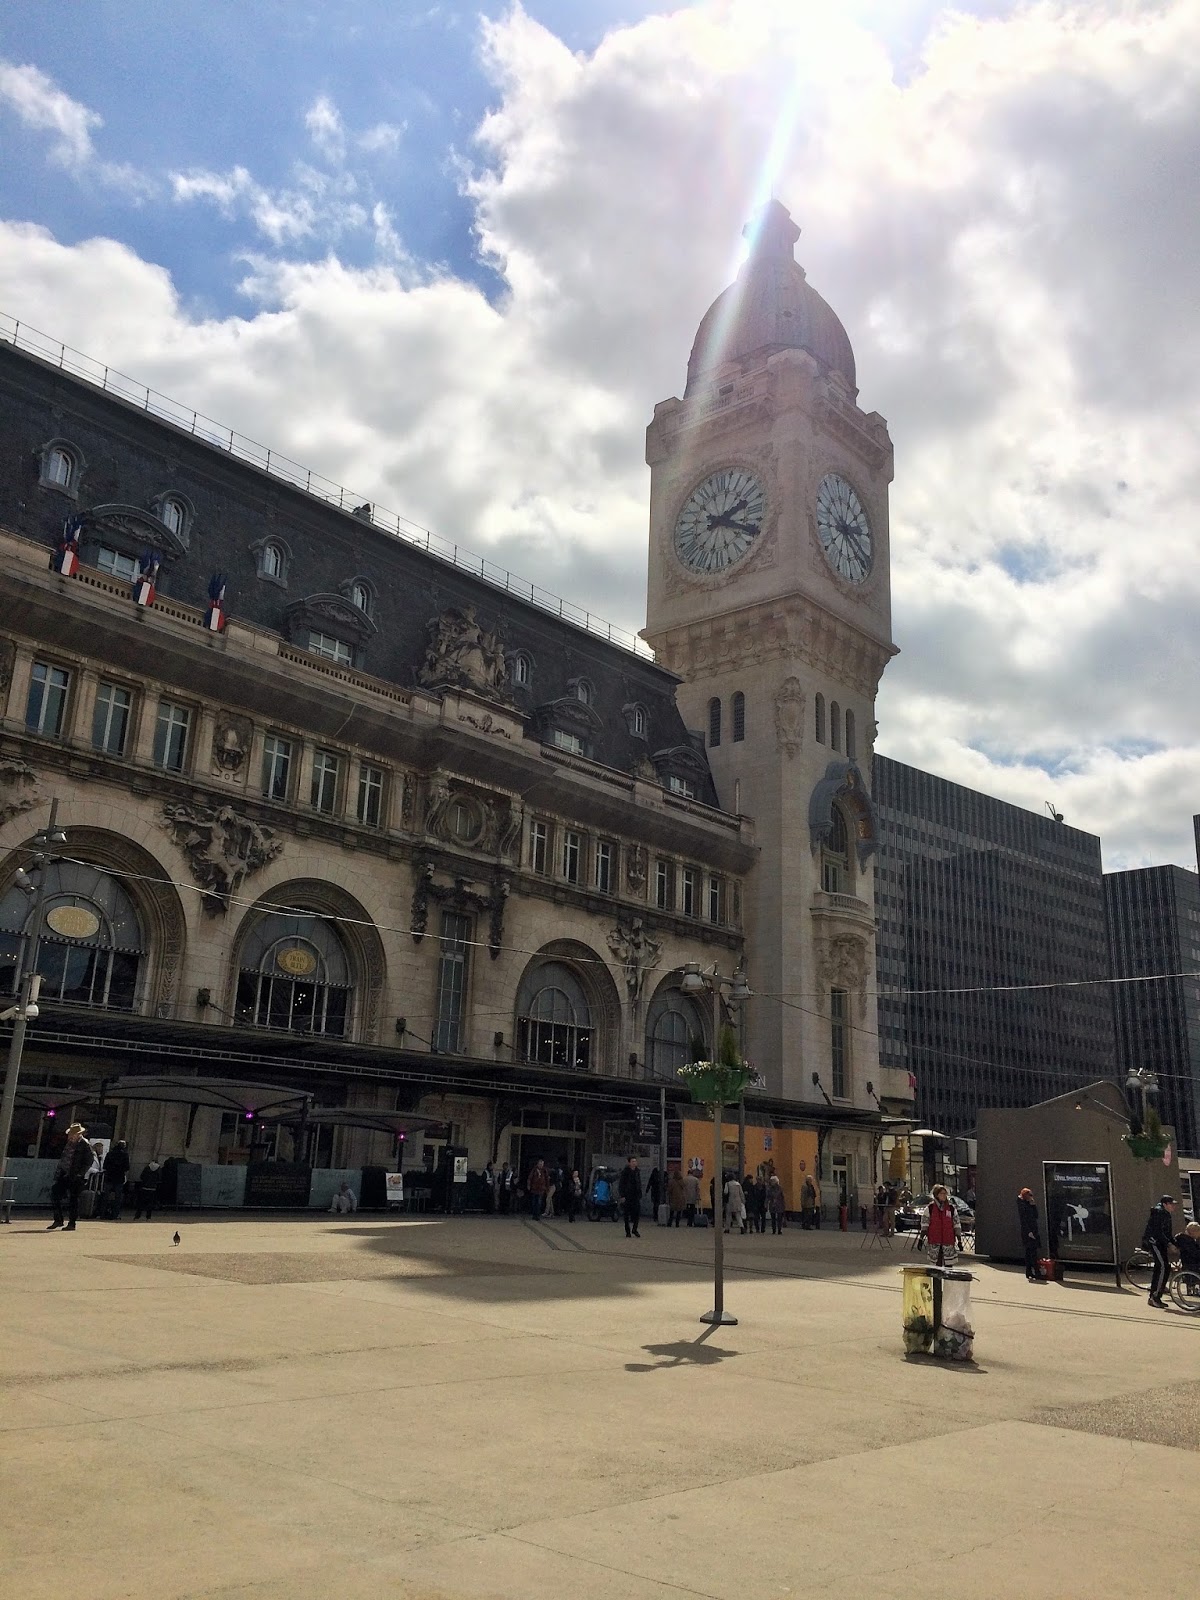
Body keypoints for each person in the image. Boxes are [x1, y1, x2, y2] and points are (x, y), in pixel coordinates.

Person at [47, 1122, 95, 1231]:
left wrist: (80, 1174)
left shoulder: (84, 1144)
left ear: (79, 1134)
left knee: (73, 1199)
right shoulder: (69, 1143)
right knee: (55, 1193)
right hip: (64, 1173)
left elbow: (89, 1161)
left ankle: (71, 1223)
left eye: (73, 1134)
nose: (70, 1136)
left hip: (75, 1175)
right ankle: (58, 1219)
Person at [1142, 1194, 1177, 1308]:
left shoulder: (1166, 1214)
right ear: (1165, 1204)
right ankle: (1155, 1296)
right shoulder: (1159, 1213)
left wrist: (1174, 1242)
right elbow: (1158, 1232)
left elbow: (1167, 1232)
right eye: (1171, 1204)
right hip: (1155, 1242)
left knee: (1163, 1268)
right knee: (1163, 1267)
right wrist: (1169, 1243)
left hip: (1160, 1243)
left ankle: (1156, 1293)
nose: (1173, 1206)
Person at [925, 1184, 960, 1267]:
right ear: (936, 1195)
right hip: (935, 1241)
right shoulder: (930, 1208)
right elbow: (924, 1224)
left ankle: (947, 1280)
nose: (944, 1196)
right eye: (941, 1194)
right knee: (937, 1267)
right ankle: (936, 1280)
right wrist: (921, 1239)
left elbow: (957, 1224)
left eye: (945, 1194)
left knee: (948, 1266)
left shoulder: (951, 1208)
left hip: (948, 1240)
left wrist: (960, 1240)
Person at [102, 1138, 131, 1220]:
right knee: (118, 1198)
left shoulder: (110, 1153)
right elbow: (127, 1167)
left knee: (105, 1197)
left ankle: (103, 1213)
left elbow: (105, 1165)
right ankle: (115, 1214)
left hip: (109, 1177)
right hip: (119, 1178)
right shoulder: (125, 1155)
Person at [1017, 1186, 1041, 1280]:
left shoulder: (1029, 1204)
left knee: (1029, 1252)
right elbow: (1023, 1219)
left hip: (1033, 1229)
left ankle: (1029, 1271)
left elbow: (1036, 1215)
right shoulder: (1022, 1205)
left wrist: (1033, 1204)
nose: (1031, 1197)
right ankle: (1036, 1271)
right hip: (1028, 1231)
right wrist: (1029, 1231)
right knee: (1032, 1252)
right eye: (1029, 1195)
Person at [618, 1156, 643, 1238]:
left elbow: (639, 1183)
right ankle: (627, 1231)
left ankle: (634, 1229)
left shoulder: (637, 1172)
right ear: (629, 1163)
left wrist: (640, 1193)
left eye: (635, 1161)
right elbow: (621, 1184)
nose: (634, 1163)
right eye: (632, 1161)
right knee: (626, 1214)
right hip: (627, 1196)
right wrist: (622, 1195)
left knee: (637, 1213)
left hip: (635, 1196)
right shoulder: (625, 1172)